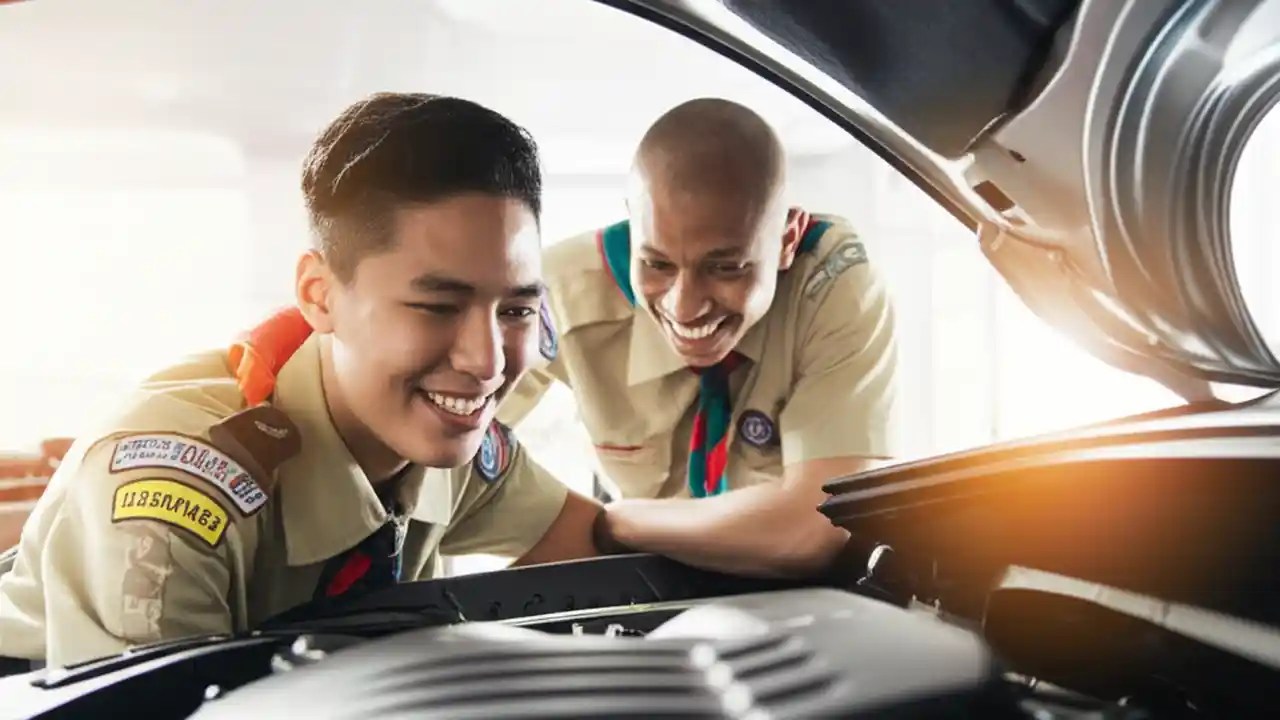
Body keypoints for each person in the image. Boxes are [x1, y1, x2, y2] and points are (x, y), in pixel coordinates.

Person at [0, 92, 603, 668]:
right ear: (319, 295)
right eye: (437, 308)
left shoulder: (442, 431)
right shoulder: (174, 497)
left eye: (516, 310)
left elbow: (591, 534)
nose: (487, 362)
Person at [498, 98, 901, 579]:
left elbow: (815, 528)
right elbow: (445, 455)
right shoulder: (557, 293)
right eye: (657, 263)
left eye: (726, 267)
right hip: (644, 579)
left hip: (798, 589)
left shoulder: (832, 284)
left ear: (787, 240)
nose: (684, 307)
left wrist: (615, 523)